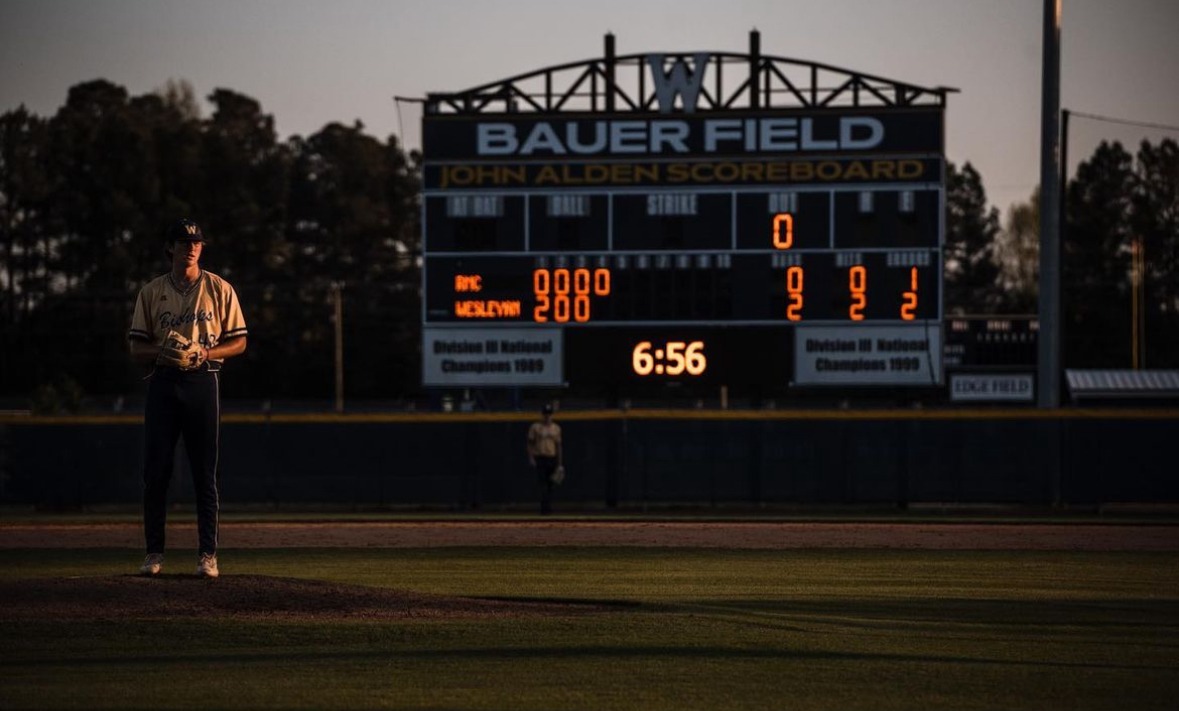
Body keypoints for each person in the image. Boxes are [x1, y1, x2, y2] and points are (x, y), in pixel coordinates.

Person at [128, 219, 248, 578]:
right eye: (184, 242)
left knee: (204, 473)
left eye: (196, 242)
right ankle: (153, 554)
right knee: (156, 472)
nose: (191, 247)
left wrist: (205, 354)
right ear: (170, 248)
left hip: (203, 379)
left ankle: (207, 555)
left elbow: (240, 341)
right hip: (163, 381)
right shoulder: (151, 292)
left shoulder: (219, 288)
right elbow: (136, 348)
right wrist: (165, 350)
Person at [526, 403, 563, 514]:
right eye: (545, 414)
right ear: (542, 415)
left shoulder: (556, 428)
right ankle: (545, 508)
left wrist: (560, 463)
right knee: (543, 485)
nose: (547, 416)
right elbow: (530, 443)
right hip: (540, 458)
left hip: (552, 458)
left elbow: (559, 446)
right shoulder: (535, 427)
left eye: (549, 414)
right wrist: (531, 457)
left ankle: (548, 507)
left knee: (551, 485)